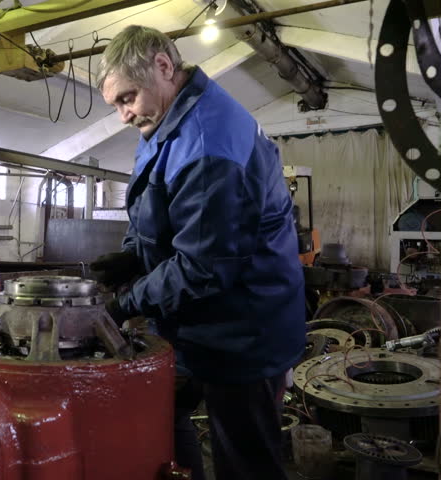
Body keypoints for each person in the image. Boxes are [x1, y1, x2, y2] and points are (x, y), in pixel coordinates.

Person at [90, 26, 305, 480]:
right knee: (160, 419)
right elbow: (158, 207)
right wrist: (132, 254)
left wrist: (122, 305)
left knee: (246, 461)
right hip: (196, 324)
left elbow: (204, 268)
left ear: (163, 67)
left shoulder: (208, 142)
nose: (123, 116)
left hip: (242, 332)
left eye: (127, 98)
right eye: (116, 105)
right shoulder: (167, 120)